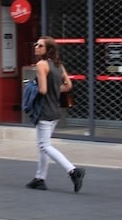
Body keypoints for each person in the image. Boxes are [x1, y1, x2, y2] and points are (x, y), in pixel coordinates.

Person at [27, 36, 85, 192]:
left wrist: (32, 86)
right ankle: (40, 178)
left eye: (40, 45)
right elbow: (68, 86)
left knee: (45, 145)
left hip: (44, 110)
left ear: (47, 49)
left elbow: (42, 90)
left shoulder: (41, 65)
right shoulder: (59, 65)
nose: (36, 46)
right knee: (43, 146)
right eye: (36, 44)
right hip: (55, 110)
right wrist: (55, 89)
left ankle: (73, 170)